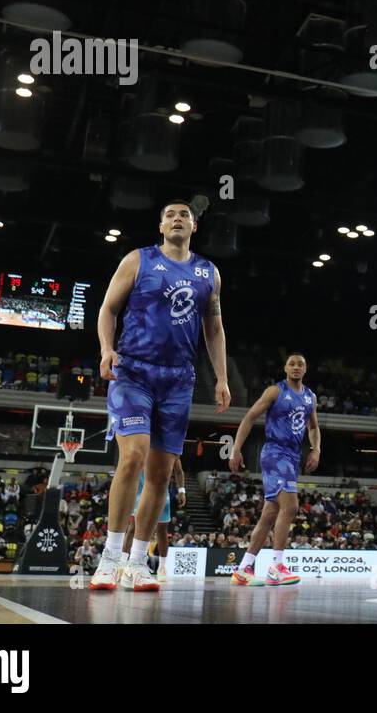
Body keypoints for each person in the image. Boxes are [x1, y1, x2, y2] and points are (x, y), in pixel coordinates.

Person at [89, 199, 232, 593]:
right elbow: (107, 308)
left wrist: (221, 377)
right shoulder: (138, 260)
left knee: (159, 474)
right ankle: (109, 559)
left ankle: (138, 562)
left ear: (194, 227)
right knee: (133, 455)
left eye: (184, 215)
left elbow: (214, 329)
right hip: (133, 371)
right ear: (160, 224)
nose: (176, 219)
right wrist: (106, 349)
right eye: (170, 214)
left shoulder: (209, 273)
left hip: (179, 380)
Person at [229, 352, 320, 587]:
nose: (296, 367)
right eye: (292, 364)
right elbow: (249, 417)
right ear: (285, 368)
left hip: (292, 456)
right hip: (274, 453)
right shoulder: (275, 391)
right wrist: (236, 449)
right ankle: (277, 567)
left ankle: (243, 569)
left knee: (270, 513)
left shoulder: (310, 397)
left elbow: (313, 427)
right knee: (291, 506)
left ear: (306, 369)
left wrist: (315, 449)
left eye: (301, 364)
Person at [121, 455, 186, 583]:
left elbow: (179, 470)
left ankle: (162, 568)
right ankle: (122, 565)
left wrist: (181, 490)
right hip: (140, 494)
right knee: (132, 528)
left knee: (161, 531)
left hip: (161, 495)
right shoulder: (141, 444)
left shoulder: (167, 447)